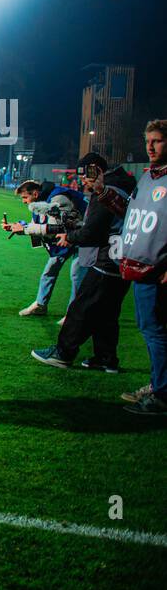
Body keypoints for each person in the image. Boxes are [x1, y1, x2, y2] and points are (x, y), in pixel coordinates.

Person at [29, 153, 135, 373]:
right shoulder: (124, 186)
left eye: (83, 175)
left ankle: (63, 353)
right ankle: (106, 358)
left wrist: (71, 237)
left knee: (81, 307)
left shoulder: (105, 191)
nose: (82, 182)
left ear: (95, 170)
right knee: (107, 313)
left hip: (106, 260)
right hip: (123, 260)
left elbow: (93, 231)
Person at [104, 119, 167, 414]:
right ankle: (158, 385)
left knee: (156, 331)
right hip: (140, 269)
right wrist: (104, 194)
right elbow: (131, 215)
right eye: (147, 141)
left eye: (157, 141)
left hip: (158, 272)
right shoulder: (148, 178)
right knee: (151, 329)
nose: (150, 147)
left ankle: (162, 394)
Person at [5, 178, 88, 317]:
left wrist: (24, 229)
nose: (24, 201)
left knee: (76, 275)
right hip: (64, 241)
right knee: (49, 272)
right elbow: (36, 225)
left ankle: (73, 314)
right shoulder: (40, 203)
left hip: (80, 239)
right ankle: (40, 305)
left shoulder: (58, 199)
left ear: (35, 194)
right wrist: (15, 226)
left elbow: (55, 228)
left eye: (25, 197)